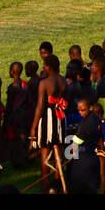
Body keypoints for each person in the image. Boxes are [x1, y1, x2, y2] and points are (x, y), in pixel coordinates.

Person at [32, 53, 68, 191]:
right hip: (61, 117)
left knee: (45, 154)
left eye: (44, 65)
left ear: (48, 67)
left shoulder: (44, 83)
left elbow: (40, 106)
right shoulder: (63, 80)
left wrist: (33, 128)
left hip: (47, 118)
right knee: (59, 153)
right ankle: (59, 185)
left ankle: (46, 186)